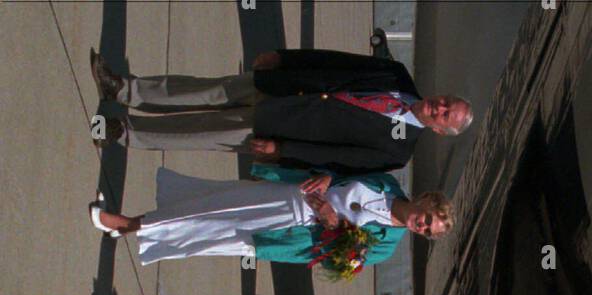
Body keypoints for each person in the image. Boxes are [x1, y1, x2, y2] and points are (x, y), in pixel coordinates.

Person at [89, 47, 472, 168]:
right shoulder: (397, 75)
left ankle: (125, 133)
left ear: (439, 130)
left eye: (444, 115)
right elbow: (334, 61)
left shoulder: (397, 150)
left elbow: (338, 159)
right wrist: (286, 59)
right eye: (445, 102)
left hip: (286, 128)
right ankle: (124, 89)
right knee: (208, 91)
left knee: (206, 130)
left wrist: (284, 151)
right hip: (286, 85)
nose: (439, 107)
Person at [89, 165, 453, 265]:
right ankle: (130, 226)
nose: (420, 225)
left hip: (291, 228)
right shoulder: (387, 183)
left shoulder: (386, 245)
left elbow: (340, 258)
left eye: (425, 230)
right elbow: (343, 176)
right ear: (423, 201)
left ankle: (124, 224)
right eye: (426, 217)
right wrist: (327, 176)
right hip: (290, 193)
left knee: (211, 229)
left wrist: (333, 222)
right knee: (213, 201)